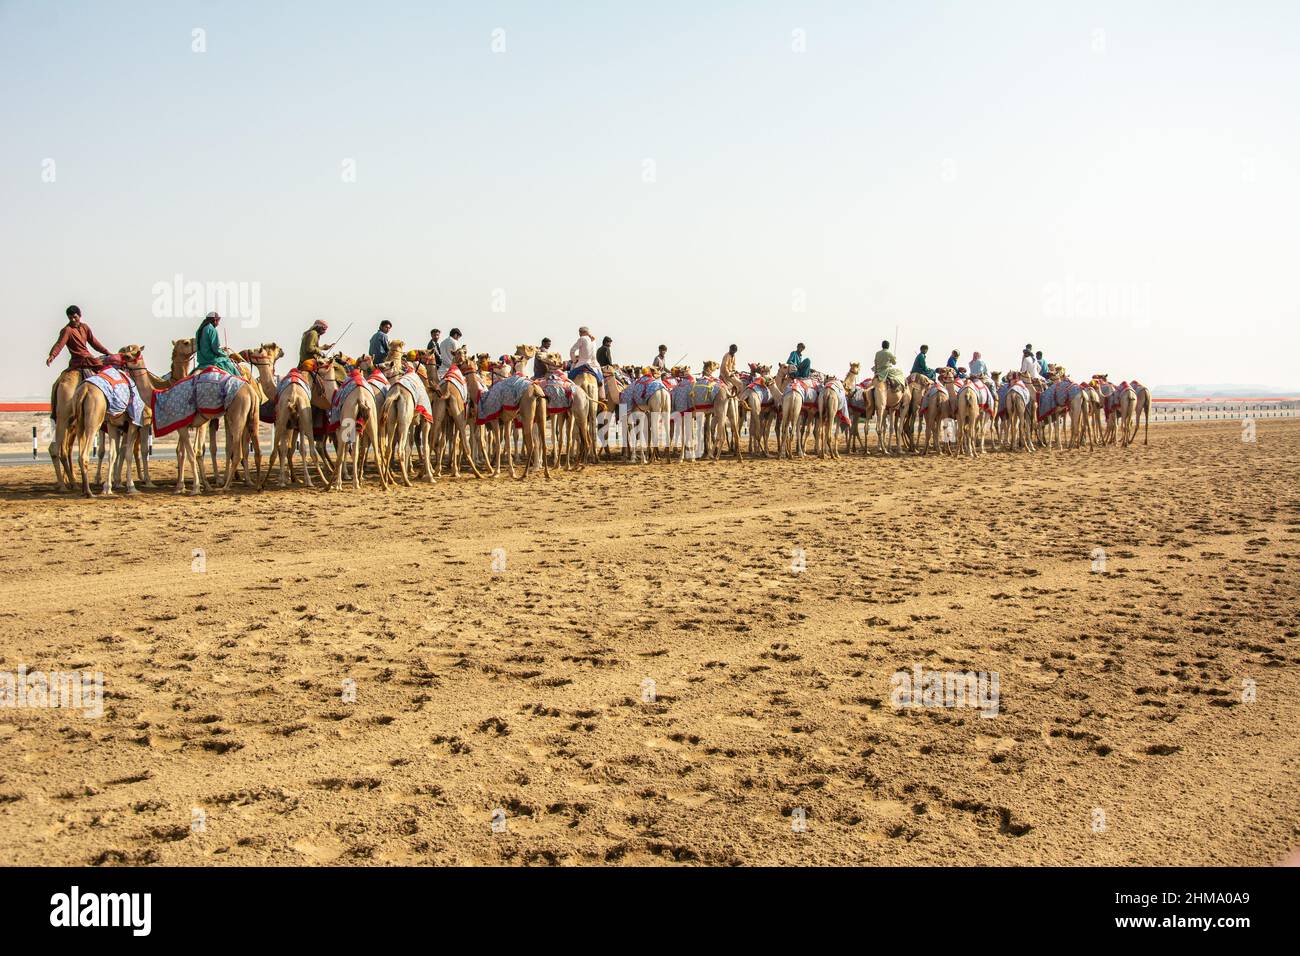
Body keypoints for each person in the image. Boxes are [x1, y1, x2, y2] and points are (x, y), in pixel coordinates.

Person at [46, 305, 110, 372]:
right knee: (105, 370)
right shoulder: (67, 330)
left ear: (80, 315)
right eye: (70, 318)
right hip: (79, 361)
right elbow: (59, 344)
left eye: (75, 317)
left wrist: (107, 352)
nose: (73, 320)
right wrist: (52, 356)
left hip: (88, 358)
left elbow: (94, 342)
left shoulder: (85, 327)